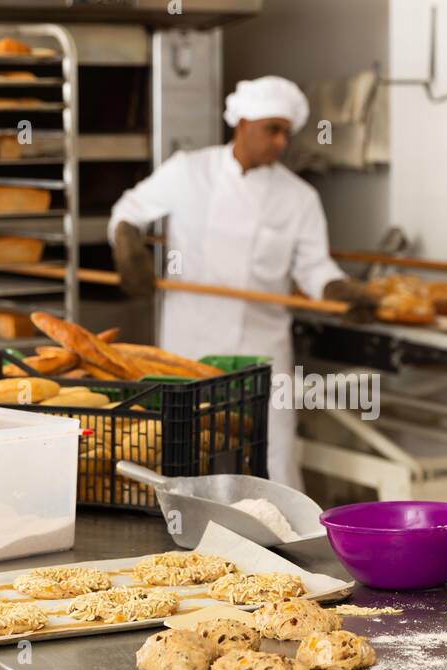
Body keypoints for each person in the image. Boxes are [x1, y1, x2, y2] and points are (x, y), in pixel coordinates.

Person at [109, 76, 370, 489]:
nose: (281, 142)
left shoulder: (298, 197)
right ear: (243, 123)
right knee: (179, 445)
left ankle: (285, 544)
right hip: (188, 342)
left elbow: (314, 267)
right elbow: (130, 208)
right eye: (273, 130)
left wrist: (338, 289)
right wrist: (127, 242)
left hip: (261, 349)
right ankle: (172, 530)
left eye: (286, 132)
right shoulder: (189, 171)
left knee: (274, 451)